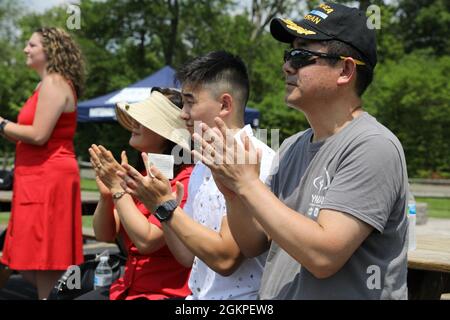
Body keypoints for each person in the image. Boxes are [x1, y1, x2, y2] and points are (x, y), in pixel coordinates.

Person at [193, 3, 409, 299]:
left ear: (345, 70)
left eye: (302, 55)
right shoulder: (292, 146)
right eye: (288, 54)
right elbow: (255, 243)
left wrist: (247, 183)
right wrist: (235, 195)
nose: (287, 66)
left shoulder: (372, 146)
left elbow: (323, 257)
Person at [119, 51, 276, 300]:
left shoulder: (257, 161)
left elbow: (225, 259)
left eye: (190, 102)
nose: (183, 114)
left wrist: (165, 206)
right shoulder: (202, 164)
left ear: (225, 105)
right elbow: (186, 256)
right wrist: (160, 205)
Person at [80, 88, 193, 300]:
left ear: (166, 132)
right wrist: (106, 196)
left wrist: (117, 189)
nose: (134, 123)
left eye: (145, 119)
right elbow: (104, 234)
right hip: (127, 288)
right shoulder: (140, 175)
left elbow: (147, 241)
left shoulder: (184, 180)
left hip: (163, 294)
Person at [0, 27, 85, 299]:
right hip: (36, 177)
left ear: (50, 50)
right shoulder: (47, 83)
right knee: (27, 259)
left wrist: (1, 124)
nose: (26, 49)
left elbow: (38, 134)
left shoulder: (54, 82)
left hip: (47, 178)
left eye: (31, 45)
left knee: (45, 257)